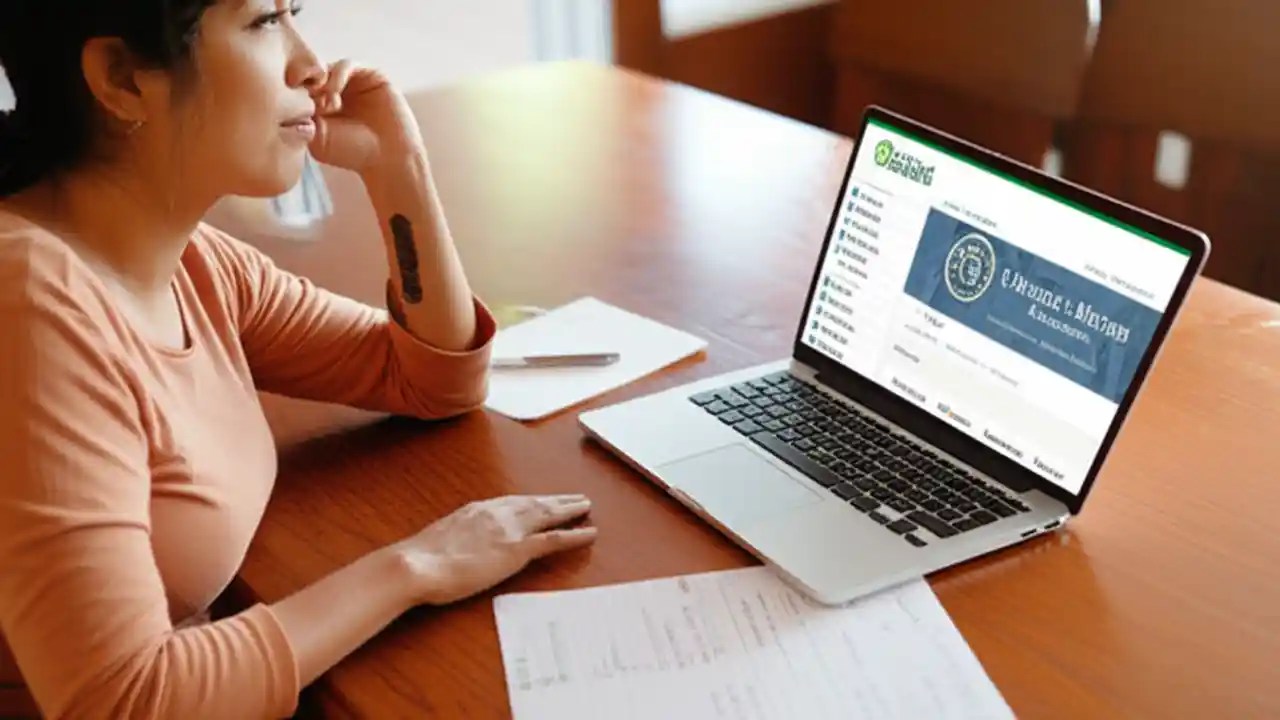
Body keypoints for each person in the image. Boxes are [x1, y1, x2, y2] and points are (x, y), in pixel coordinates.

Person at [0, 2, 598, 717]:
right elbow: (125, 701)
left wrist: (398, 168)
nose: (311, 64)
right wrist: (415, 567)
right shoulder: (32, 304)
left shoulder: (192, 263)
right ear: (122, 77)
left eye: (294, 12)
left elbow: (432, 376)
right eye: (262, 22)